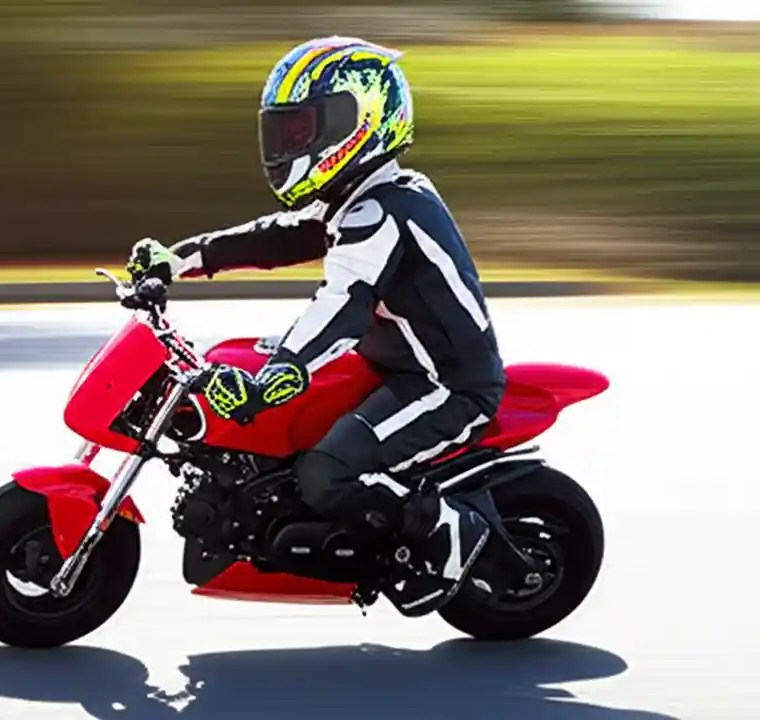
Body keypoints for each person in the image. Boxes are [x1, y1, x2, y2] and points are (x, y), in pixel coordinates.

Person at [125, 37, 505, 616]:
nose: (286, 145)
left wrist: (279, 374)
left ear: (361, 118)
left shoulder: (385, 210)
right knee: (263, 395)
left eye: (300, 130)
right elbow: (275, 236)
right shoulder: (356, 199)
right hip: (391, 364)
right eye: (281, 132)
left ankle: (447, 535)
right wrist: (179, 259)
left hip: (444, 383)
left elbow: (343, 308)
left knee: (326, 472)